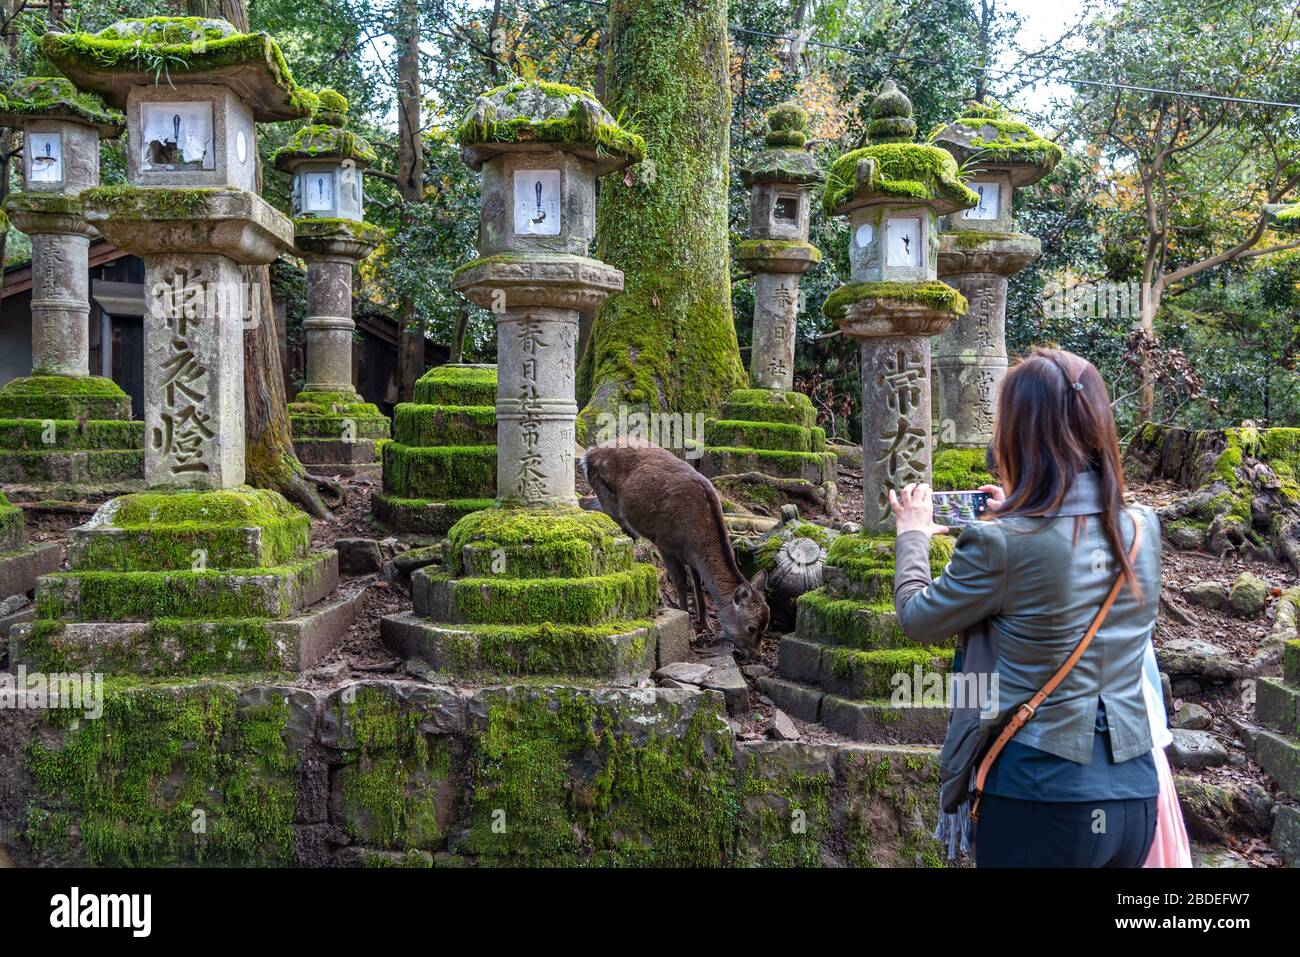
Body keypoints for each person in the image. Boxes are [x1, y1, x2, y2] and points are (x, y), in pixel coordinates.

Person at [890, 347, 1162, 868]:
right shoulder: (1143, 528)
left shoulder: (1002, 544)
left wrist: (912, 536)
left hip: (1040, 795)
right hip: (1133, 794)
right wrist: (1021, 504)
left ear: (1018, 432)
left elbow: (917, 616)